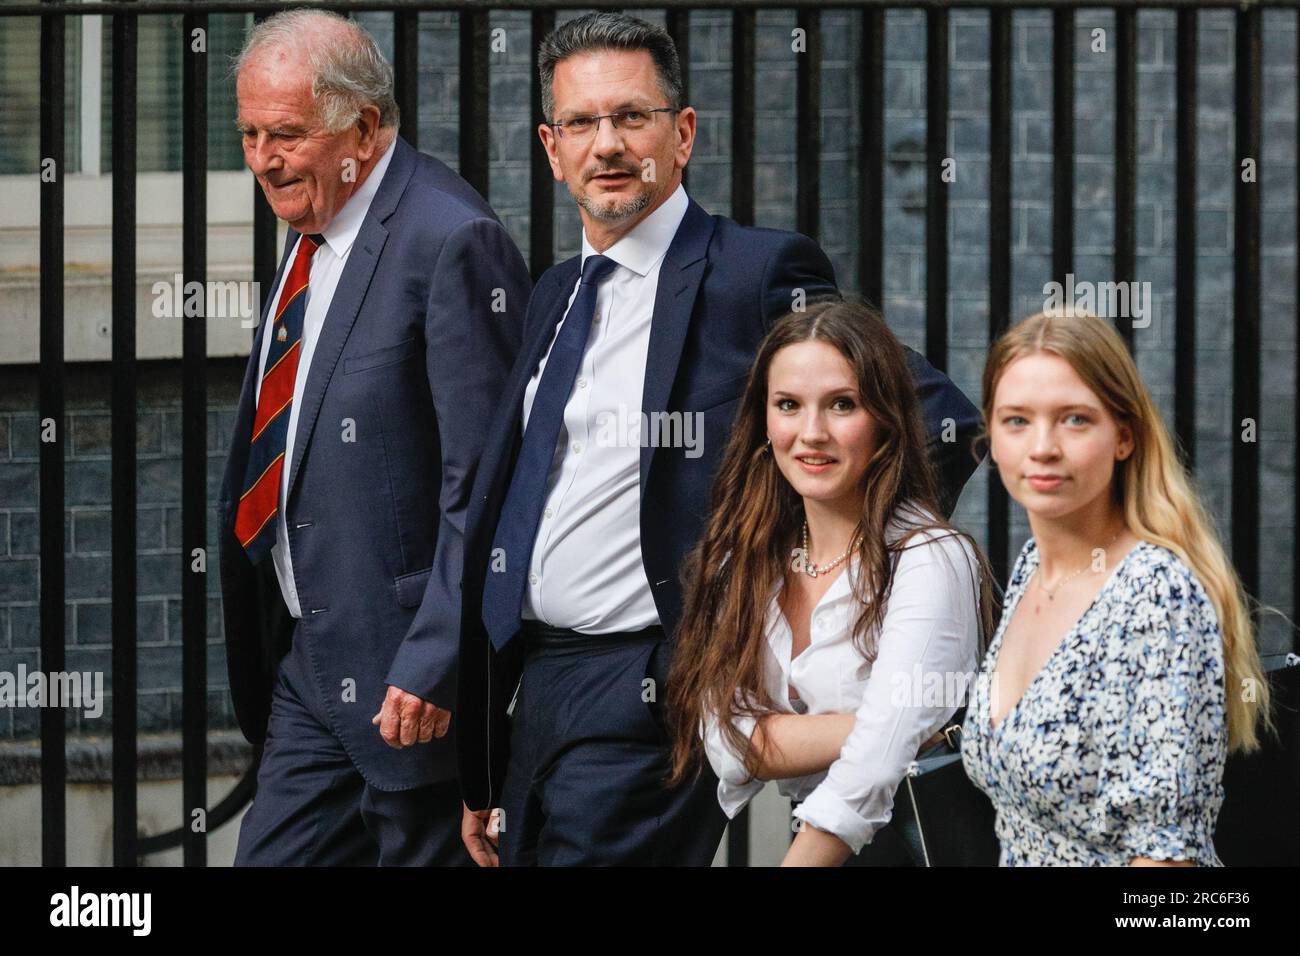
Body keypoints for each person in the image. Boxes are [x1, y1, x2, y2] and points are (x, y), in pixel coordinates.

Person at [455, 12, 984, 867]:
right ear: (553, 151)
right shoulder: (556, 293)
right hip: (537, 692)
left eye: (633, 117)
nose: (609, 144)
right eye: (583, 124)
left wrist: (833, 566)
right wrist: (486, 758)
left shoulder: (754, 273)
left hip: (653, 682)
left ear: (684, 132)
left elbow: (938, 415)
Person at [218, 10, 530, 865]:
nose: (262, 158)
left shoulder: (451, 238)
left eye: (284, 134)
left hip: (408, 683)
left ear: (361, 126)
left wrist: (438, 660)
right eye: (247, 133)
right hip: (309, 663)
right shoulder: (314, 222)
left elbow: (488, 482)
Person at [667, 300, 991, 867]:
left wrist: (884, 735)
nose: (811, 433)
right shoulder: (739, 562)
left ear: (886, 420)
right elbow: (726, 744)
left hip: (907, 845)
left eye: (842, 405)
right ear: (763, 422)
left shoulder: (930, 557)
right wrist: (888, 725)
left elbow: (875, 770)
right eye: (788, 405)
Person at [961, 309, 1275, 866]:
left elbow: (1165, 860)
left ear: (1124, 437)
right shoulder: (1034, 566)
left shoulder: (1157, 594)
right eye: (1016, 421)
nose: (1043, 447)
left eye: (1075, 419)